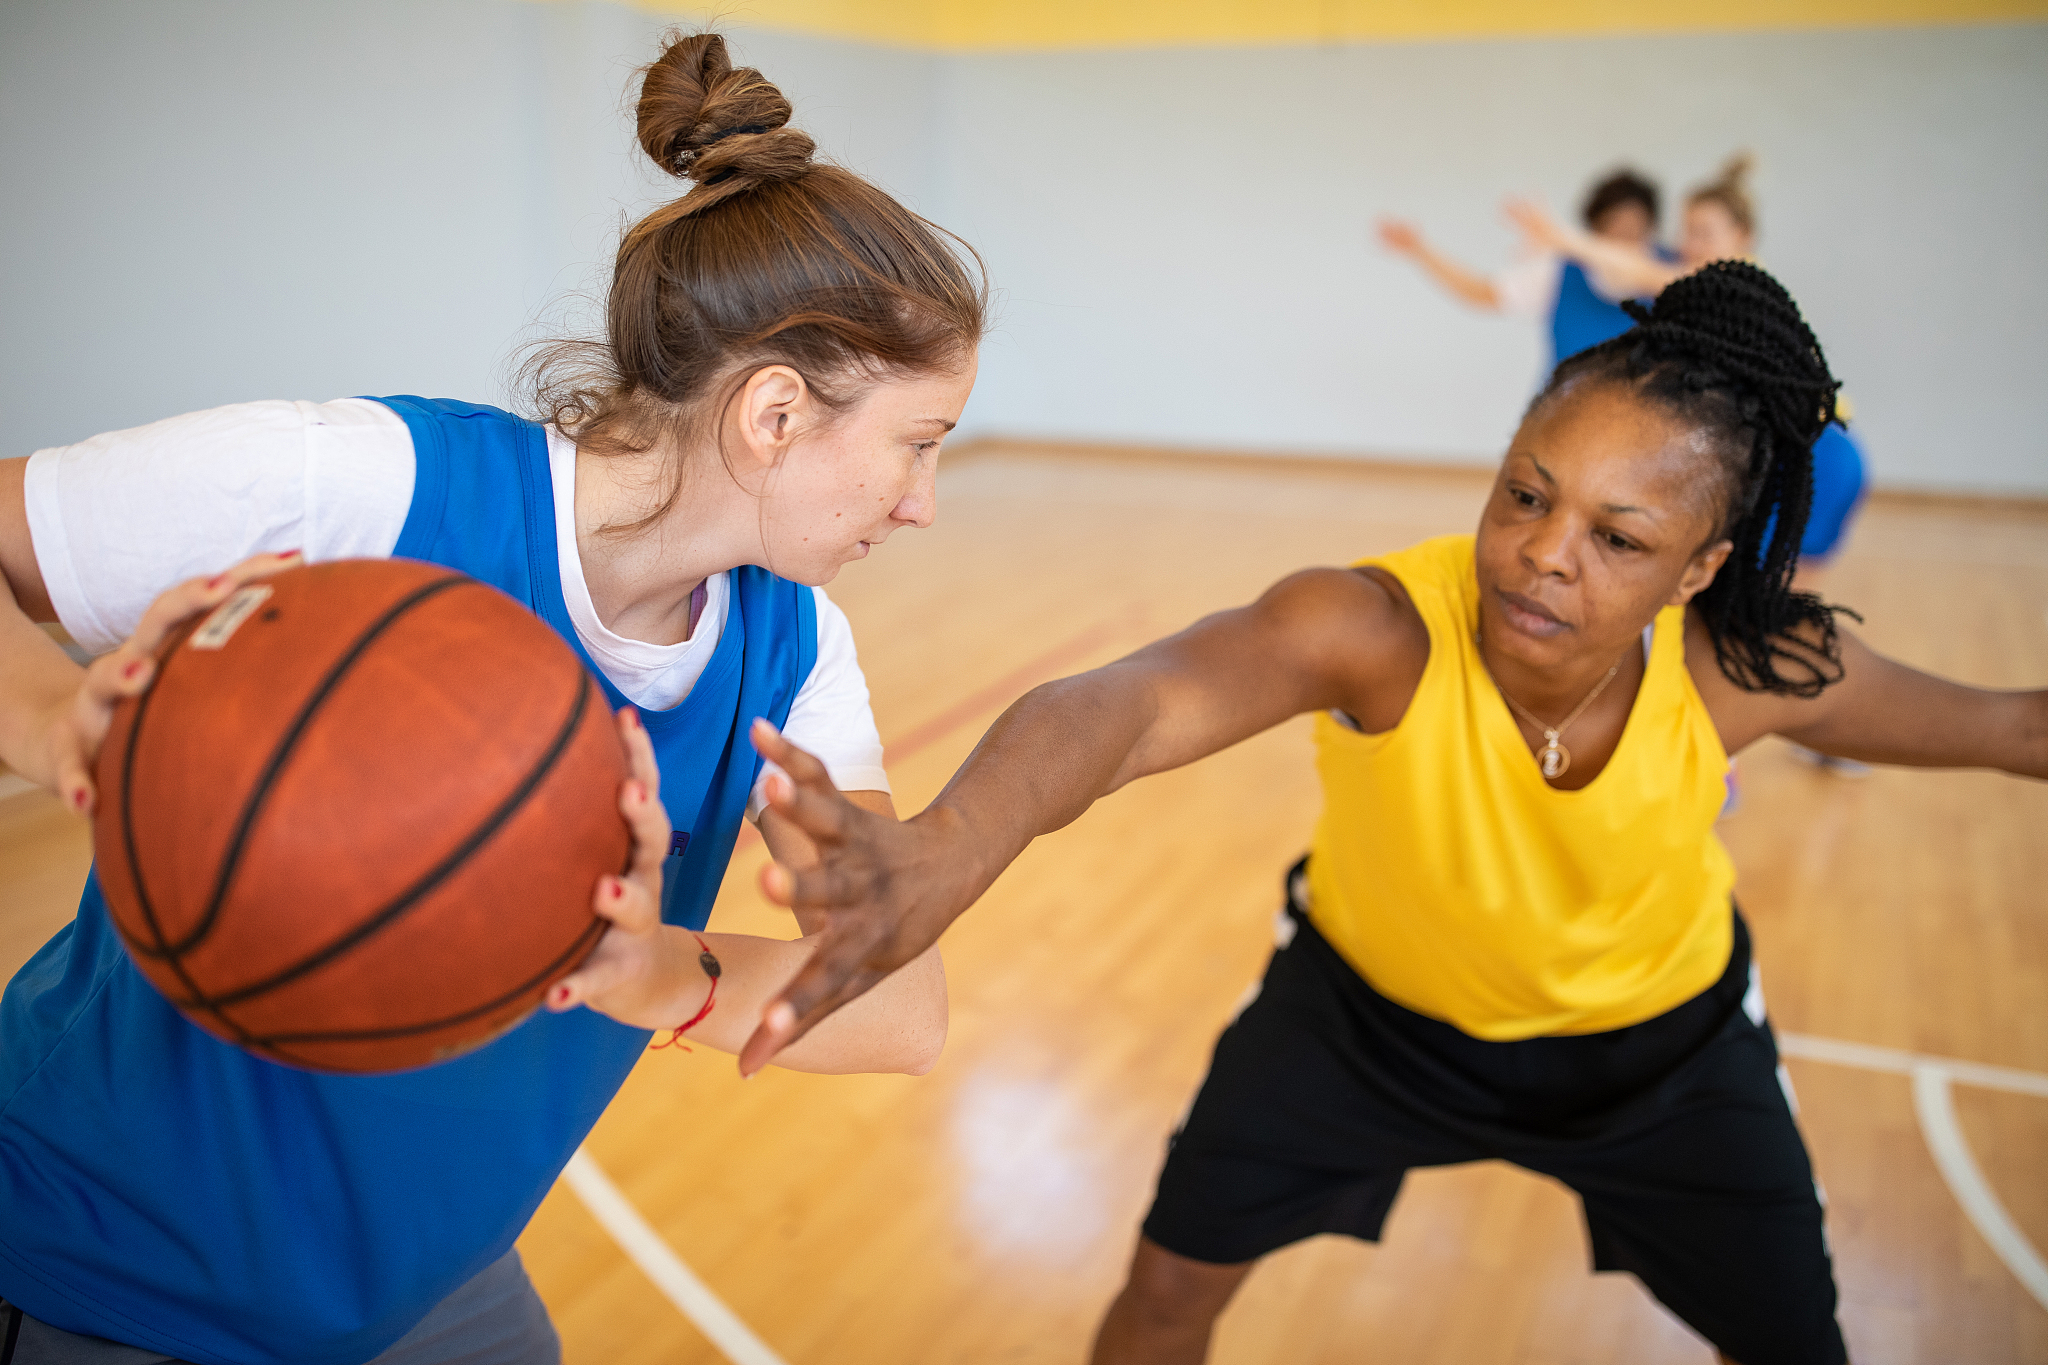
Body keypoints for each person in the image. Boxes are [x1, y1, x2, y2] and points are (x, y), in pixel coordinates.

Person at [741, 263, 2048, 1364]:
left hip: (1663, 1057)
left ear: (1702, 566)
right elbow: (1129, 705)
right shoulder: (1377, 630)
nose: (1546, 552)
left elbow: (2015, 726)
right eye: (1527, 494)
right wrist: (950, 843)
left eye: (1619, 537)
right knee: (1161, 1299)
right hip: (1361, 1023)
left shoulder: (1741, 667)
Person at [0, 31, 979, 1365]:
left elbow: (899, 1011)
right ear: (774, 414)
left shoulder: (795, 650)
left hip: (428, 1278)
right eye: (918, 444)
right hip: (105, 1259)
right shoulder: (366, 488)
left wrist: (645, 971)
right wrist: (61, 727)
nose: (922, 503)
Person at [1377, 169, 1674, 373]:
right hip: (1572, 419)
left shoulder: (1676, 275)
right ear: (1593, 232)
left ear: (1652, 229)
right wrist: (1420, 251)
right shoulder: (1561, 273)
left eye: (1634, 232)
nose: (1622, 245)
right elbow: (1482, 293)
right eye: (1615, 231)